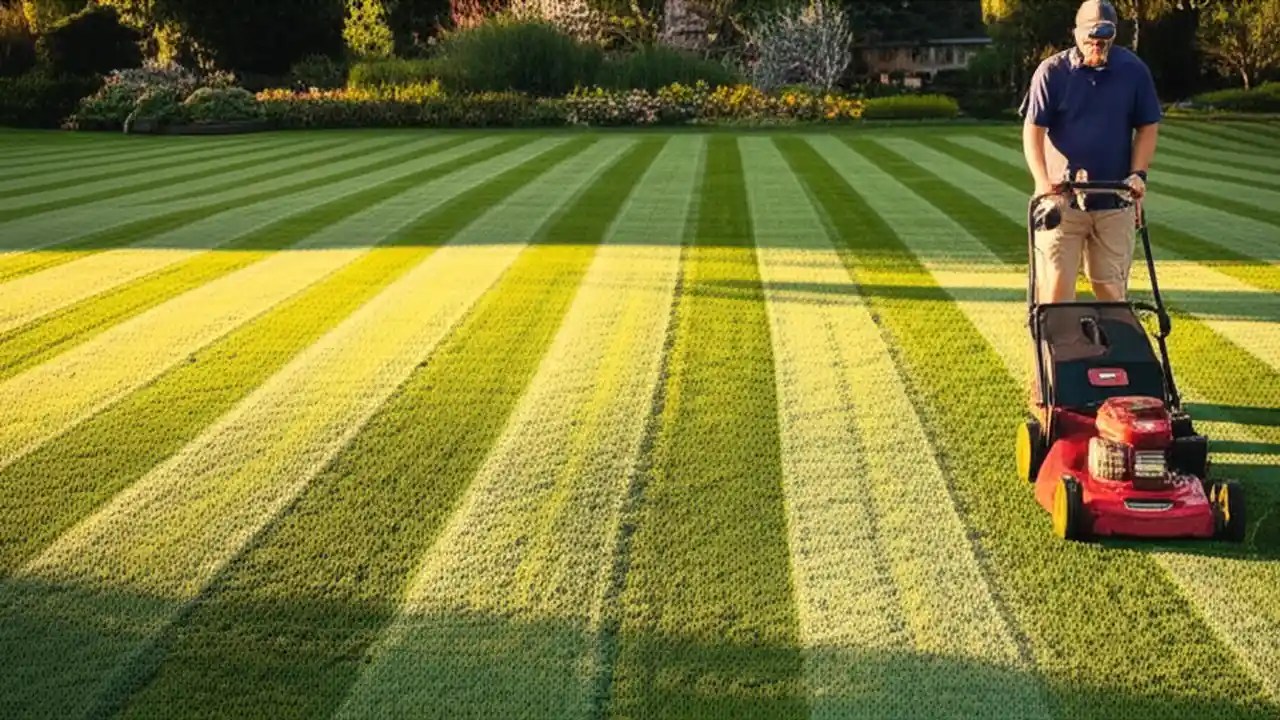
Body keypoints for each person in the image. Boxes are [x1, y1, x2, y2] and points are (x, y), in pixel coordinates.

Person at [1020, 0, 1162, 304]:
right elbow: (1033, 131)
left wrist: (1138, 175)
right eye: (1091, 40)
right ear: (1076, 34)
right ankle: (1058, 351)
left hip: (1114, 199)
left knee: (1111, 289)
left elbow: (1148, 126)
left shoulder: (1133, 71)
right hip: (1061, 200)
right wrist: (1042, 183)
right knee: (1055, 292)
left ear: (1113, 36)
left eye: (1103, 40)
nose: (1097, 46)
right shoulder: (1052, 73)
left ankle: (1113, 350)